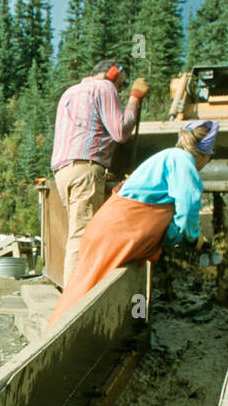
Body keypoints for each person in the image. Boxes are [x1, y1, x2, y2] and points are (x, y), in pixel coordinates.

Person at [45, 120, 218, 327]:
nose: (207, 163)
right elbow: (188, 206)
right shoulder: (184, 163)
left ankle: (63, 338)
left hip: (109, 227)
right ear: (205, 154)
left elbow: (159, 217)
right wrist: (191, 238)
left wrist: (173, 237)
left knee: (84, 286)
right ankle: (56, 343)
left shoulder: (168, 157)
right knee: (84, 293)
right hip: (118, 232)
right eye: (210, 157)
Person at [49, 59, 151, 285]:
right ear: (113, 74)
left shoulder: (70, 92)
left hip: (63, 171)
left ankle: (76, 293)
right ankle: (74, 303)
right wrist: (134, 97)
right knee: (82, 236)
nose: (119, 90)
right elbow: (120, 132)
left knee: (76, 232)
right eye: (121, 85)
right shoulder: (104, 88)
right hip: (85, 169)